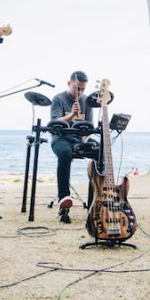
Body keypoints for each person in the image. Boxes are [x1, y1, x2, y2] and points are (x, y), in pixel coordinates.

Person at [50, 70, 94, 223]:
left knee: (101, 150)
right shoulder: (58, 99)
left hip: (79, 139)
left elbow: (89, 128)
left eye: (83, 88)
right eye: (77, 88)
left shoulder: (88, 101)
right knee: (65, 154)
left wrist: (84, 140)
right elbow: (55, 123)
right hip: (60, 138)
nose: (80, 92)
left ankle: (96, 200)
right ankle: (64, 201)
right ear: (69, 83)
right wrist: (72, 115)